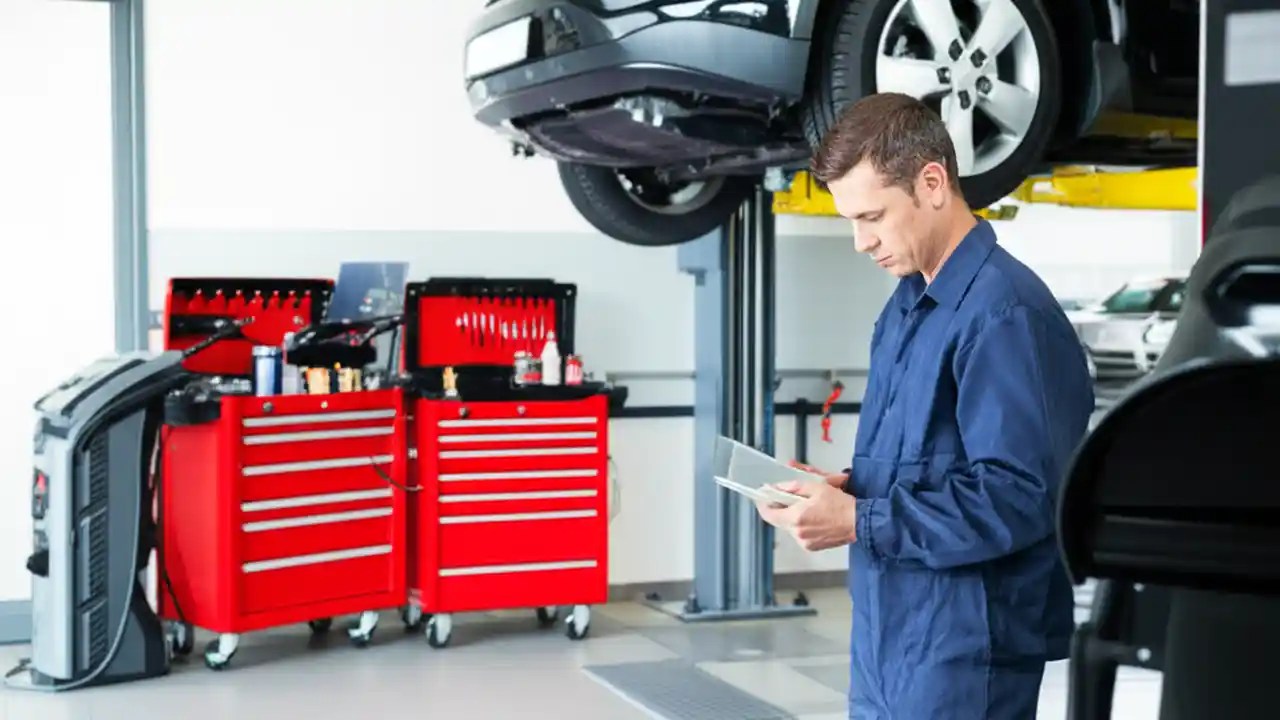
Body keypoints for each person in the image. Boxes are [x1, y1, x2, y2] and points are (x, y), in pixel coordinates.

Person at [754, 92, 1095, 719]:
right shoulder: (907, 306)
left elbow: (1021, 498)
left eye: (873, 217)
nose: (860, 242)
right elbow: (933, 461)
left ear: (932, 183)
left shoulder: (1005, 315)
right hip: (890, 635)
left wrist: (861, 522)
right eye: (850, 221)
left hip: (967, 649)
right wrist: (849, 491)